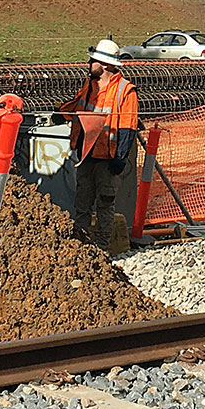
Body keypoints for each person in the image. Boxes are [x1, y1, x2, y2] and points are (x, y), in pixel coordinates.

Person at [66, 37, 140, 255]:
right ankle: (82, 248)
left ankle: (101, 250)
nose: (89, 64)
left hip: (108, 160)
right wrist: (58, 113)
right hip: (87, 156)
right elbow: (75, 108)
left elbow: (127, 128)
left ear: (105, 65)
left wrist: (120, 160)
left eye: (93, 61)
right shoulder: (89, 87)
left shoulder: (125, 91)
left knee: (105, 205)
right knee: (82, 204)